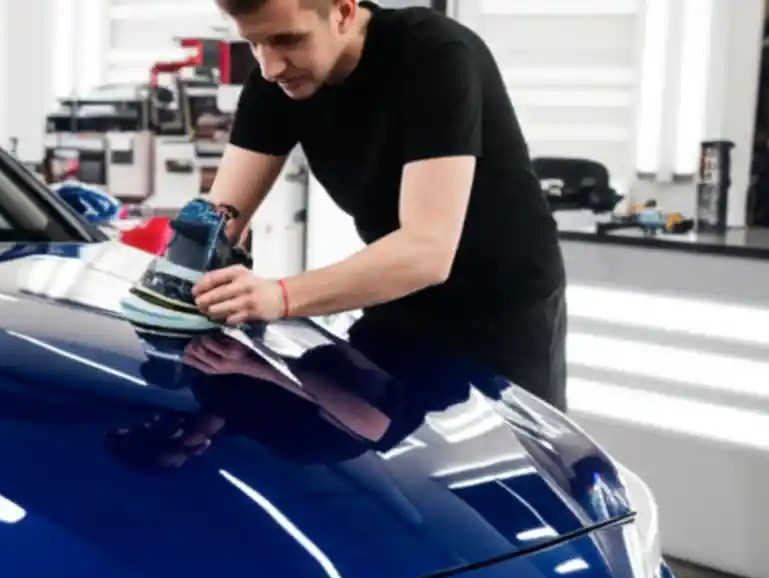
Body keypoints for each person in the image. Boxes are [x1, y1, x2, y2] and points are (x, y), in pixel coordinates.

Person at [191, 0, 568, 410]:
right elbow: (220, 221)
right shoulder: (277, 81)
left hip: (500, 305)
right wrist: (179, 272)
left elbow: (428, 252)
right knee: (373, 444)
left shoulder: (433, 53)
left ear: (344, 11)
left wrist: (278, 296)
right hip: (398, 291)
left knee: (497, 462)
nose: (270, 67)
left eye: (288, 40)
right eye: (254, 43)